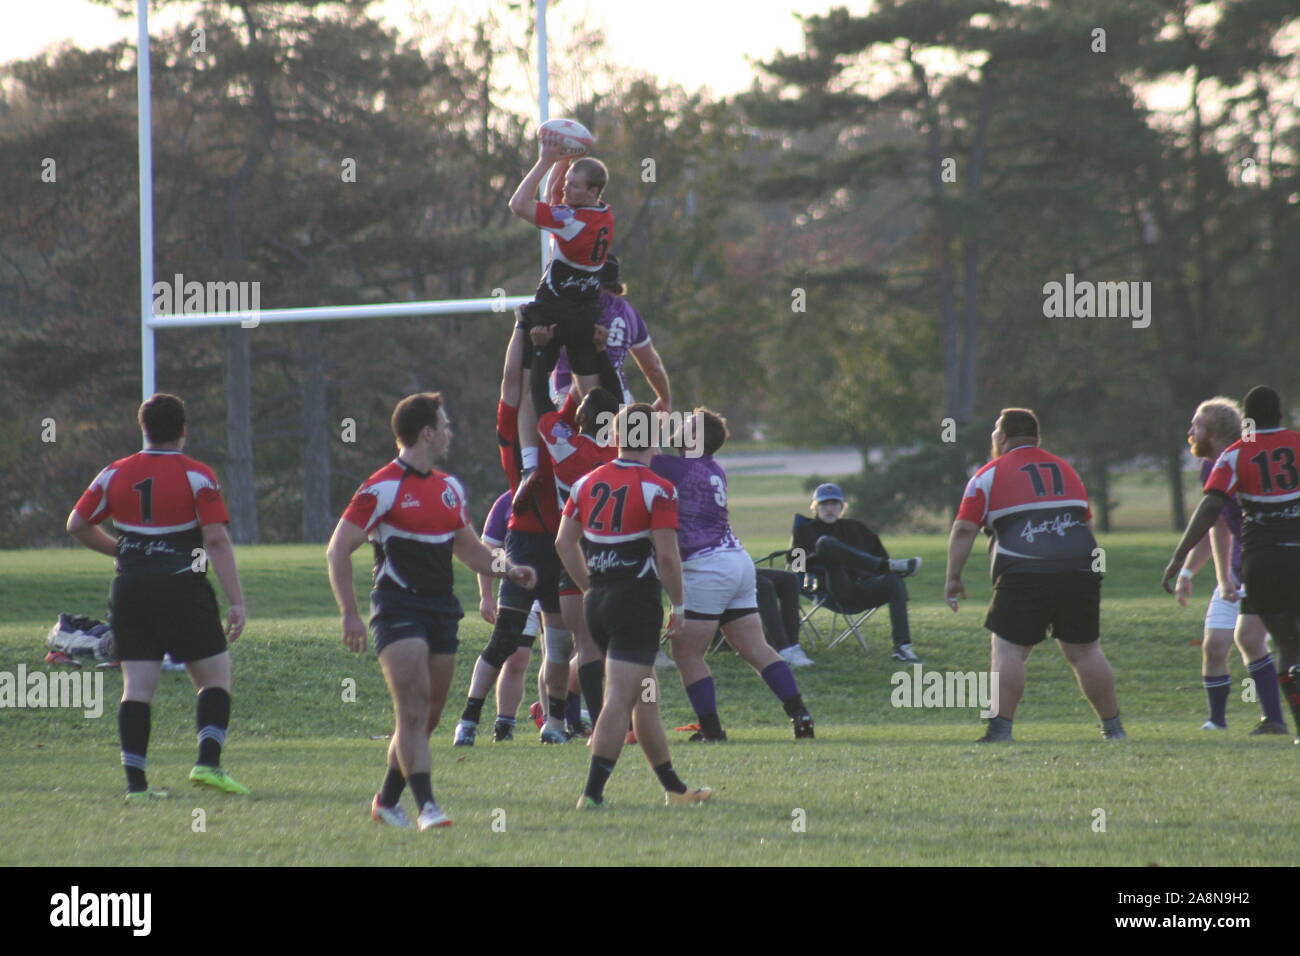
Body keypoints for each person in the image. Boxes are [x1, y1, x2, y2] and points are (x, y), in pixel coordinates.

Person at [326, 392, 536, 830]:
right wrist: (349, 613)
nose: (449, 431)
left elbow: (472, 550)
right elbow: (338, 549)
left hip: (442, 610)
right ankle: (427, 807)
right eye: (444, 424)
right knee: (413, 708)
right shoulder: (381, 487)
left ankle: (386, 800)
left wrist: (509, 570)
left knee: (431, 714)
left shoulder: (449, 488)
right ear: (426, 433)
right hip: (397, 608)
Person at [66, 393, 249, 799]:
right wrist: (237, 601)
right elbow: (215, 539)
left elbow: (77, 523)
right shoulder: (197, 475)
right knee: (215, 678)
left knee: (137, 688)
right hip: (184, 586)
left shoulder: (114, 473)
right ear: (183, 430)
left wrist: (124, 549)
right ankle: (208, 764)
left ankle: (136, 787)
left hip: (131, 588)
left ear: (143, 428)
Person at [555, 404, 712, 808]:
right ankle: (591, 794)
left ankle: (674, 789)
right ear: (654, 438)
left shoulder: (586, 482)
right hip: (635, 603)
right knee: (620, 699)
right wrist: (679, 604)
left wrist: (589, 586)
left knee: (646, 697)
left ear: (616, 436)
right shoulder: (658, 488)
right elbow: (667, 557)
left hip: (601, 601)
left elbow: (563, 542)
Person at [946, 407, 1125, 743]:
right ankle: (1114, 730)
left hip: (1025, 568)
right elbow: (1085, 523)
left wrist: (953, 576)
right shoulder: (1067, 470)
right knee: (1086, 651)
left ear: (1001, 438)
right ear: (1036, 438)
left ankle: (1000, 731)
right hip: (1080, 566)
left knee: (1008, 651)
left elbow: (963, 528)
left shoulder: (988, 474)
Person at [651, 408, 815, 741]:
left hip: (706, 566)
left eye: (687, 424)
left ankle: (712, 730)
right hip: (735, 562)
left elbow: (635, 451)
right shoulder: (712, 467)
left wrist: (642, 413)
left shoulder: (677, 467)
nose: (680, 425)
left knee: (686, 653)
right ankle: (801, 714)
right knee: (756, 648)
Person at [1162, 385, 1300, 743]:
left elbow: (1211, 510)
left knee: (1284, 643)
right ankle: (1272, 719)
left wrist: (1179, 558)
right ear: (1282, 415)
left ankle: (1288, 723)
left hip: (1263, 561)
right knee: (1258, 639)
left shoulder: (1235, 456)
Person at [453, 326, 569, 746]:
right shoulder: (519, 440)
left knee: (559, 645)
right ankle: (469, 720)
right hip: (528, 543)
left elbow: (586, 389)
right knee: (506, 641)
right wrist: (523, 335)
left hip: (562, 545)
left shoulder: (569, 430)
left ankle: (556, 723)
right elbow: (512, 383)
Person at [508, 132, 614, 512]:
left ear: (592, 190)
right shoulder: (604, 213)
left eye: (574, 185)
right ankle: (606, 455)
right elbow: (556, 201)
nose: (566, 188)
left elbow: (519, 204)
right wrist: (565, 164)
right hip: (586, 314)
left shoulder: (570, 221)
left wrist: (545, 161)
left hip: (553, 312)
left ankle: (529, 468)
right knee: (592, 395)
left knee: (528, 390)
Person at [534, 325, 623, 737]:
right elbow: (618, 400)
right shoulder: (624, 450)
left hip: (573, 553)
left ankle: (577, 719)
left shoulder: (564, 446)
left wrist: (545, 349)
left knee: (581, 646)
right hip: (617, 551)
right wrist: (600, 353)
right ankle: (589, 717)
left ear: (580, 418)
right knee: (609, 647)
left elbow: (538, 396)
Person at [792, 483, 923, 663]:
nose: (829, 509)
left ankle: (902, 648)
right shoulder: (804, 531)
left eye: (834, 504)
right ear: (815, 507)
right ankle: (886, 566)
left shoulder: (857, 528)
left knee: (893, 579)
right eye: (824, 504)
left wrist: (878, 570)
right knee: (826, 544)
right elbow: (796, 565)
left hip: (865, 586)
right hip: (834, 589)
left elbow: (881, 555)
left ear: (842, 507)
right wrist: (818, 557)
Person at [550, 256, 672, 410]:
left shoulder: (571, 307)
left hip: (573, 403)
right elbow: (652, 366)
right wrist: (664, 399)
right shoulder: (629, 313)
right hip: (619, 400)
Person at [475, 490, 543, 742]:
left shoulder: (563, 491)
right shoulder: (506, 501)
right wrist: (487, 595)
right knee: (516, 657)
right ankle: (504, 725)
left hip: (559, 588)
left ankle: (558, 718)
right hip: (520, 588)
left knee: (560, 656)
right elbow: (490, 550)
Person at [756, 567, 813, 666]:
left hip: (740, 566)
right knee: (763, 585)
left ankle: (793, 645)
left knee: (789, 578)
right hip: (723, 572)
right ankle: (782, 648)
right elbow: (794, 556)